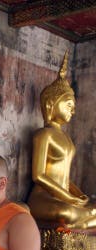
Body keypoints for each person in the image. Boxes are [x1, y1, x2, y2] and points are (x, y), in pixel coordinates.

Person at [28, 51, 96, 229]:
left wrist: (78, 194)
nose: (72, 111)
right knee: (67, 212)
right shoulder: (44, 134)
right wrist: (68, 198)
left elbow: (64, 177)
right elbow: (39, 175)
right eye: (68, 105)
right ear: (51, 104)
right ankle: (76, 225)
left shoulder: (66, 139)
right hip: (43, 197)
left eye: (73, 107)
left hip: (63, 195)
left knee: (92, 209)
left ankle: (74, 228)